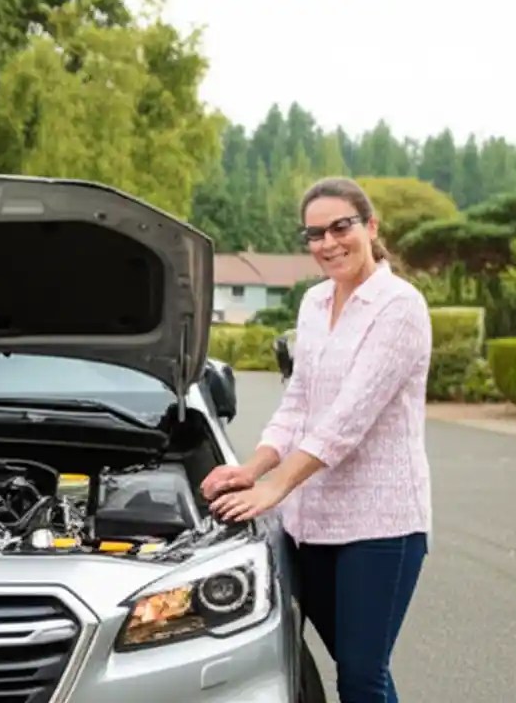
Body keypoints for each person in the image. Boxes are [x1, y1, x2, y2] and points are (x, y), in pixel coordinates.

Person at [200, 176, 432, 703]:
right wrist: (251, 469)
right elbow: (298, 403)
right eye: (314, 234)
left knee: (360, 674)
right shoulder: (313, 303)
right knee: (351, 665)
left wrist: (273, 488)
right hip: (313, 523)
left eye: (340, 227)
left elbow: (347, 420)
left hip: (382, 526)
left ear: (370, 227)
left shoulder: (400, 307)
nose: (328, 243)